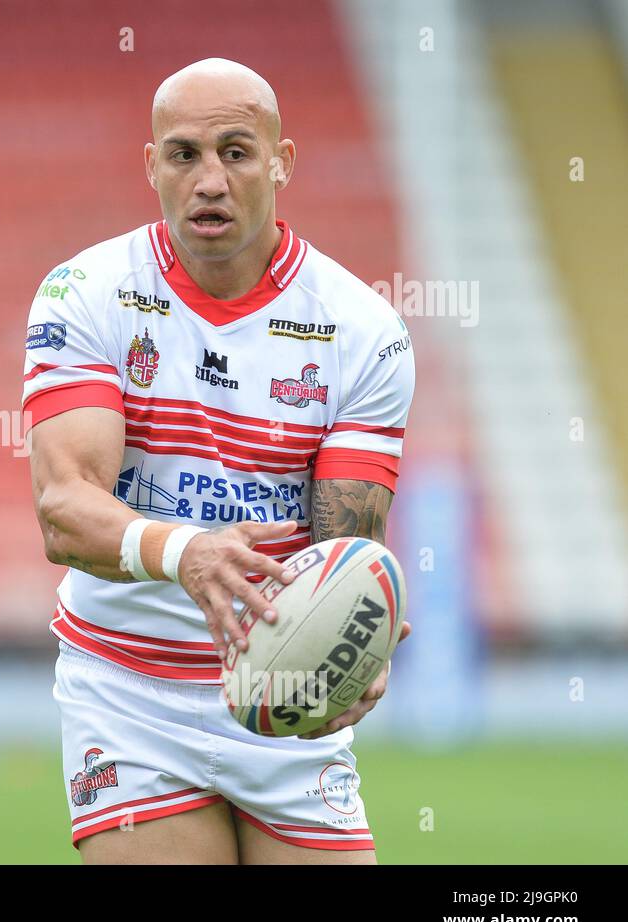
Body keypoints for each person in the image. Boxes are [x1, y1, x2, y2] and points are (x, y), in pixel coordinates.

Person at [24, 58, 414, 864]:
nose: (209, 179)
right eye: (184, 154)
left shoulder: (361, 329)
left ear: (281, 162)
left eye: (236, 152)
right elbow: (65, 509)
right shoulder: (85, 293)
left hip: (282, 679)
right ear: (151, 166)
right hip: (129, 690)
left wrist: (359, 629)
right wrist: (187, 554)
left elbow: (343, 539)